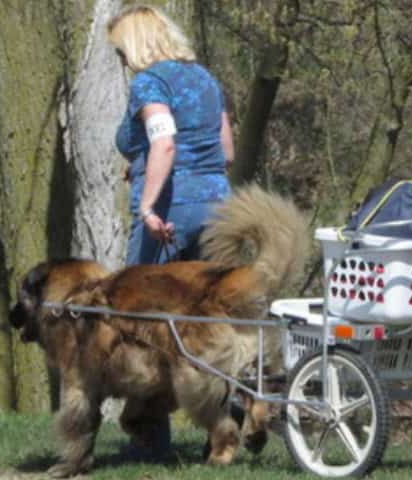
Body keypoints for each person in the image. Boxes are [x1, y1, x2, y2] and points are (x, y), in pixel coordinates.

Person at [106, 4, 234, 461]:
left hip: (170, 217)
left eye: (121, 52)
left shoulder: (149, 82)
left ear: (135, 45)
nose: (122, 62)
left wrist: (147, 203)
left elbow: (164, 142)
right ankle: (222, 436)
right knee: (212, 322)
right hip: (219, 209)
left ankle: (150, 439)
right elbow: (226, 150)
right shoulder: (205, 80)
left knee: (138, 322)